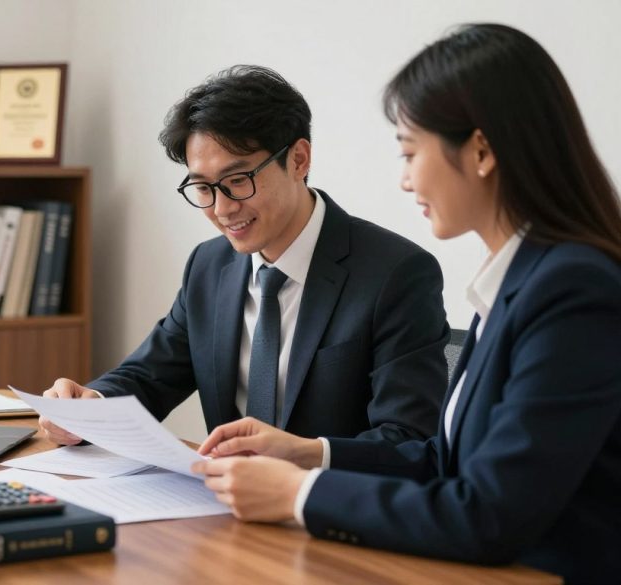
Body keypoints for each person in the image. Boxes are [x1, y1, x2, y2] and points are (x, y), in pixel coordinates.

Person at [192, 24, 621, 583]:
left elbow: (489, 514)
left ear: (482, 150)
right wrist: (308, 455)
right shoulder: (520, 280)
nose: (403, 180)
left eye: (410, 152)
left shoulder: (573, 291)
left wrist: (300, 494)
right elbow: (444, 462)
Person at [40, 66, 450, 447]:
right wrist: (89, 404)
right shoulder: (209, 265)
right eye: (203, 188)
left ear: (299, 160)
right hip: (228, 508)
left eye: (238, 180)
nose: (221, 209)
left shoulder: (395, 274)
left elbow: (408, 440)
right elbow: (150, 376)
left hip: (330, 511)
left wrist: (303, 458)